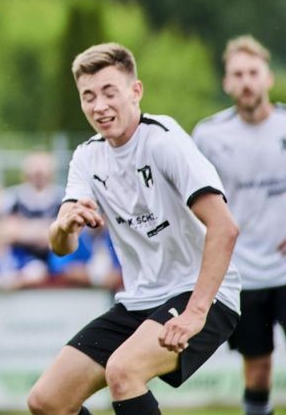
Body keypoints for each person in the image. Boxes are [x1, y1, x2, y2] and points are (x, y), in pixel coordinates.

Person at [28, 43, 241, 415]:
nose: (99, 106)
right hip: (140, 301)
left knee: (123, 372)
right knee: (46, 402)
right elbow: (61, 246)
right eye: (88, 97)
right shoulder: (87, 156)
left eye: (109, 92)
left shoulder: (163, 141)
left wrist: (195, 313)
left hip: (204, 295)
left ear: (135, 91)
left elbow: (225, 228)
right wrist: (63, 226)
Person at [192, 35, 286, 415]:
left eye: (252, 72)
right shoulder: (208, 136)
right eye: (238, 74)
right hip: (243, 274)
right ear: (227, 83)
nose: (246, 81)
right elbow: (191, 201)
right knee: (258, 370)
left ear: (268, 78)